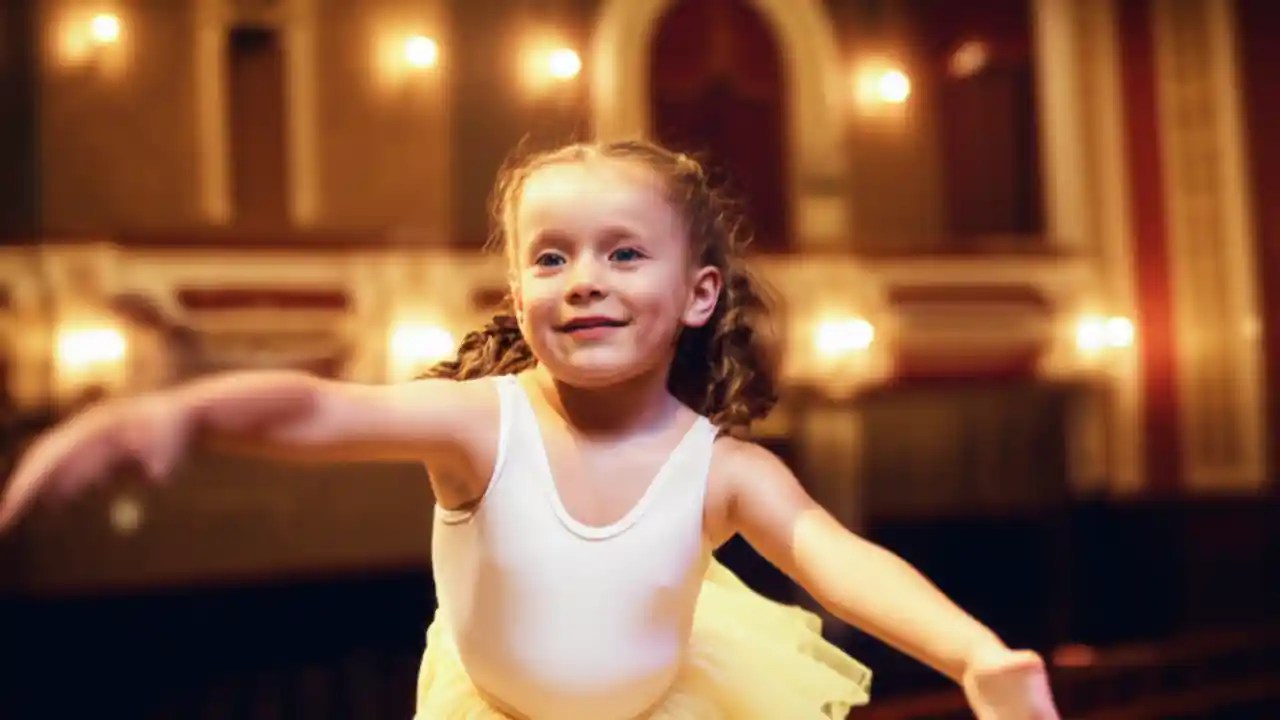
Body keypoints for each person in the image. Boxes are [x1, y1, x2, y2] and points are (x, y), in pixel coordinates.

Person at [0, 140, 1059, 719]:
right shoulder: (478, 428)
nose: (583, 282)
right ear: (513, 295)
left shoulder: (722, 470)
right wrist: (178, 410)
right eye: (549, 258)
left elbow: (836, 563)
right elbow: (320, 407)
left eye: (620, 255)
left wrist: (976, 655)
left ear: (697, 294)